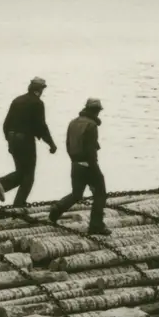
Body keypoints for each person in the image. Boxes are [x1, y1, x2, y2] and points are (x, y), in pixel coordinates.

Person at [48, 98, 110, 236]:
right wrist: (93, 167)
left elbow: (68, 144)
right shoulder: (92, 125)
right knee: (100, 193)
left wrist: (74, 160)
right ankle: (96, 225)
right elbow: (90, 150)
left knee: (76, 194)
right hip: (88, 164)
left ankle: (57, 209)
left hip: (75, 164)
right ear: (97, 111)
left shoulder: (73, 122)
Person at [0, 77, 57, 206]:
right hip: (25, 141)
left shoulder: (17, 100)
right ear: (40, 89)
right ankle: (6, 186)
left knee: (22, 171)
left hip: (13, 139)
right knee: (29, 174)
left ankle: (16, 200)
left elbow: (6, 124)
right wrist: (51, 143)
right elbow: (41, 126)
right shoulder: (37, 103)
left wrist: (9, 139)